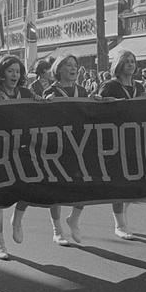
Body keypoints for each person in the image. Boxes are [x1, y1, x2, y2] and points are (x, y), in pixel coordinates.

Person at [0, 55, 39, 260]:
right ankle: (0, 244)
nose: (15, 75)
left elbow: (43, 110)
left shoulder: (26, 92)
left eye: (18, 71)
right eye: (10, 70)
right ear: (2, 73)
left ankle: (17, 219)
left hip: (22, 149)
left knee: (29, 188)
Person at [42, 54, 92, 245]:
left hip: (80, 144)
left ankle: (74, 220)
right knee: (57, 188)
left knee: (85, 186)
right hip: (59, 146)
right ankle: (57, 229)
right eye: (68, 65)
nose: (73, 68)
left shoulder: (83, 91)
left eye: (75, 65)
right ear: (58, 69)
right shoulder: (51, 91)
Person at [99, 50, 146, 239]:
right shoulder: (109, 85)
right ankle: (120, 225)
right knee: (119, 183)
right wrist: (106, 103)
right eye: (126, 61)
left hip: (135, 139)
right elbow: (96, 106)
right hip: (115, 140)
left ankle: (121, 217)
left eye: (133, 61)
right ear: (118, 64)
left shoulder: (140, 87)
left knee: (132, 184)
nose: (130, 64)